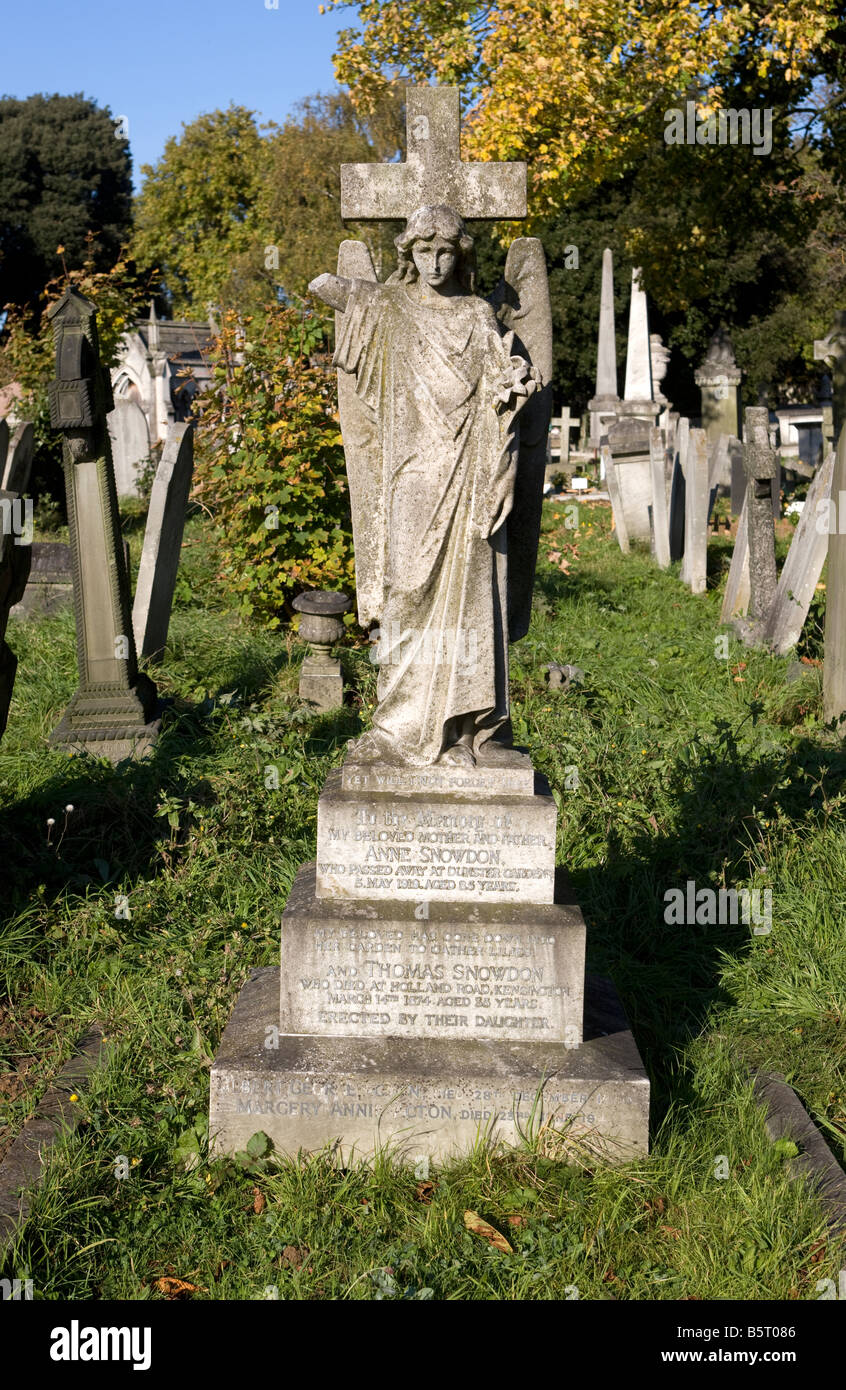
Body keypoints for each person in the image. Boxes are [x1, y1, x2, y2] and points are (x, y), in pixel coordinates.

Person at [309, 203, 539, 768]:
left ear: (460, 256)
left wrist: (506, 471)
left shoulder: (476, 319)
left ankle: (457, 734)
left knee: (465, 606)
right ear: (407, 254)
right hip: (411, 477)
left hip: (470, 477)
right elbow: (322, 286)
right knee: (406, 592)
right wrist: (360, 289)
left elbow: (503, 402)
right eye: (421, 251)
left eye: (444, 252)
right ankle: (395, 726)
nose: (433, 263)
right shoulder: (388, 307)